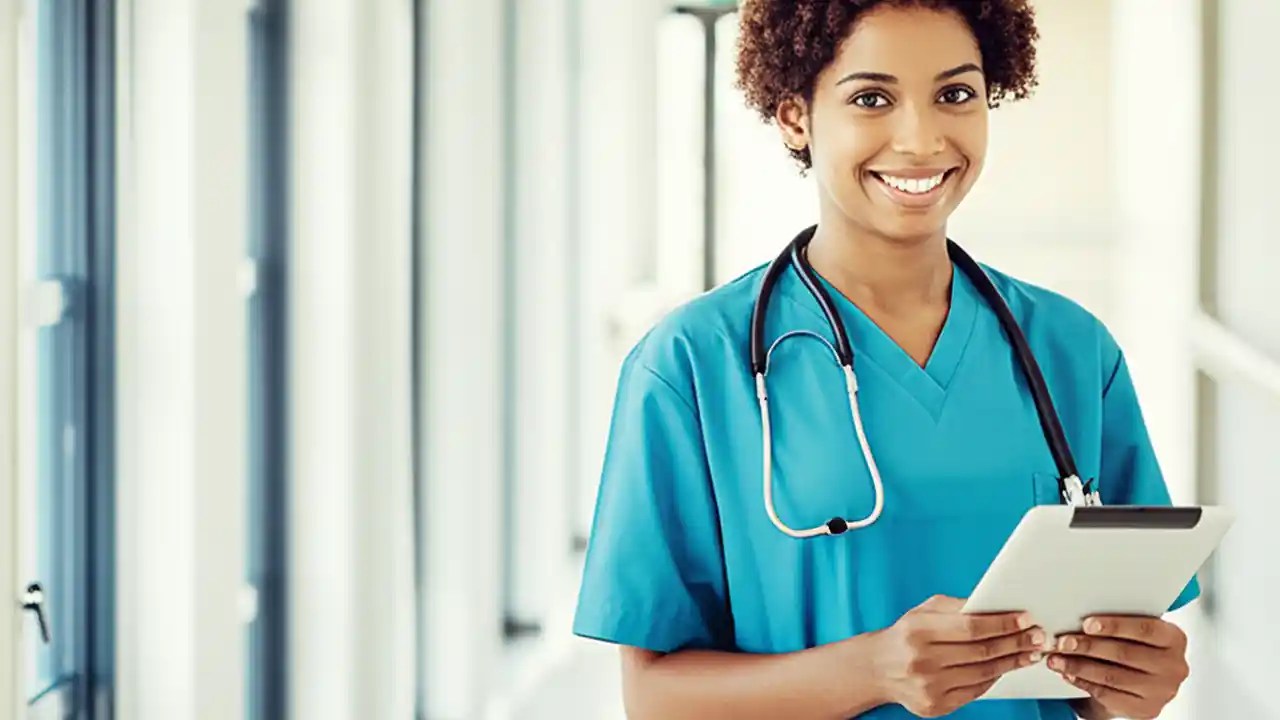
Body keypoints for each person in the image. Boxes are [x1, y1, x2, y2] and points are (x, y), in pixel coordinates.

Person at [572, 1, 1199, 718]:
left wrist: (1129, 689)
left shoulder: (1073, 351)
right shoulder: (688, 366)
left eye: (955, 94)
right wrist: (873, 671)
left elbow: (1104, 674)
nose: (922, 137)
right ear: (794, 118)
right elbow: (655, 699)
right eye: (872, 98)